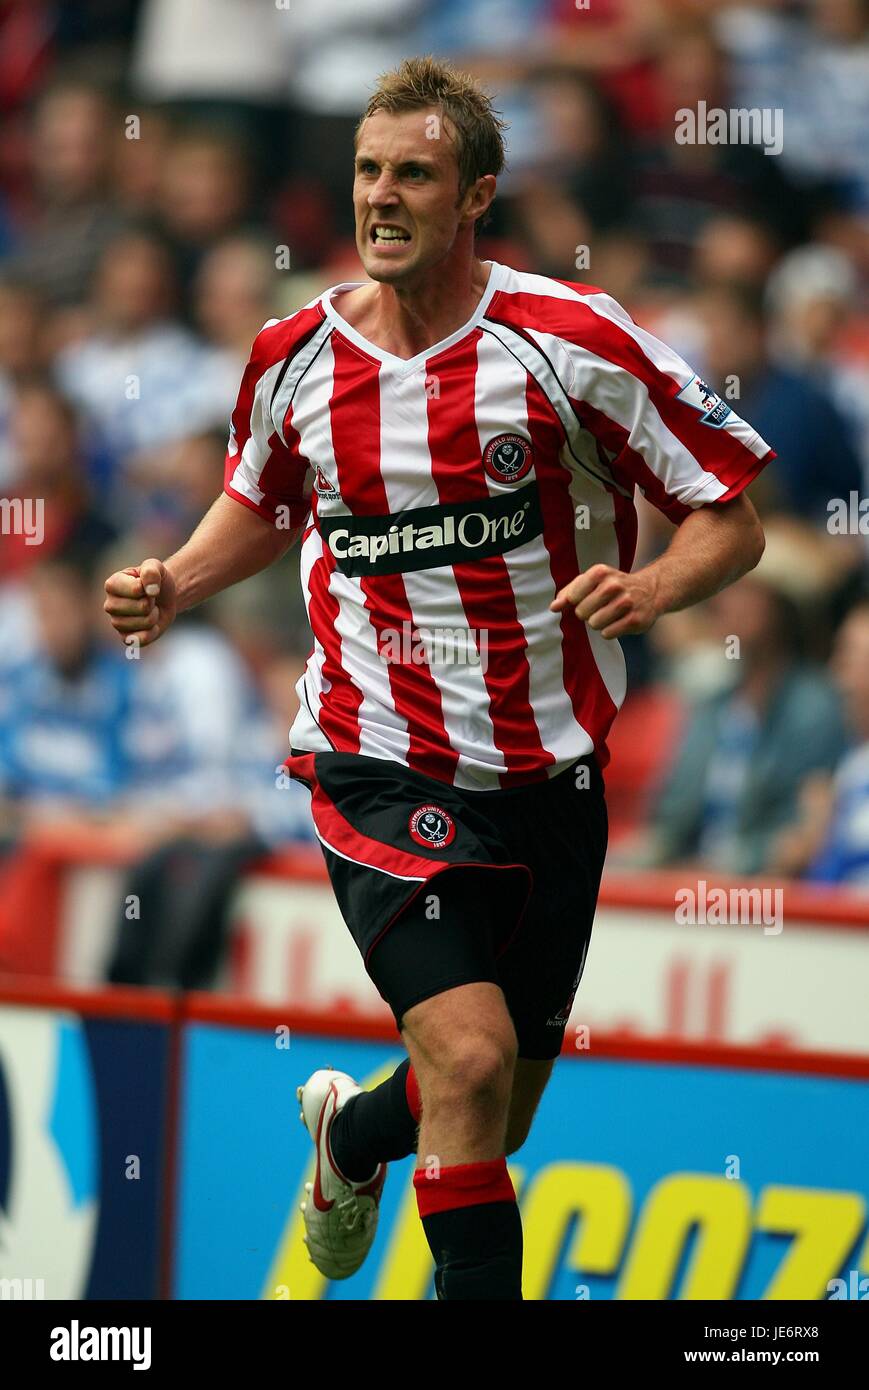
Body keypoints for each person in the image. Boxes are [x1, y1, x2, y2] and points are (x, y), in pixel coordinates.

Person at [103, 57, 771, 1300]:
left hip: (550, 771)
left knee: (494, 1107)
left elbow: (729, 517)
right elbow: (260, 497)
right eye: (366, 171)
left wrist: (652, 589)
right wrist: (175, 583)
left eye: (413, 172)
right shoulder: (293, 355)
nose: (382, 197)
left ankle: (350, 1137)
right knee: (465, 1061)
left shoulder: (571, 342)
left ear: (476, 198)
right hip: (374, 755)